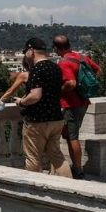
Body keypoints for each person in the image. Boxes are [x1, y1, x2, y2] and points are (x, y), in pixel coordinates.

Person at [13, 38, 72, 177]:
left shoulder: (36, 69)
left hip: (37, 120)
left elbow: (35, 96)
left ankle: (33, 191)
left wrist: (21, 102)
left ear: (31, 51)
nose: (24, 55)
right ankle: (71, 186)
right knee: (57, 157)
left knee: (33, 158)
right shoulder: (56, 67)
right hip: (56, 118)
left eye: (25, 51)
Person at [54, 35, 101, 179]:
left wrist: (58, 90)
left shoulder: (64, 62)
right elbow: (99, 71)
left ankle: (78, 169)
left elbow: (71, 83)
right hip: (83, 102)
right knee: (68, 134)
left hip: (70, 104)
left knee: (72, 137)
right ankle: (74, 166)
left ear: (56, 48)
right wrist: (85, 88)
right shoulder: (81, 57)